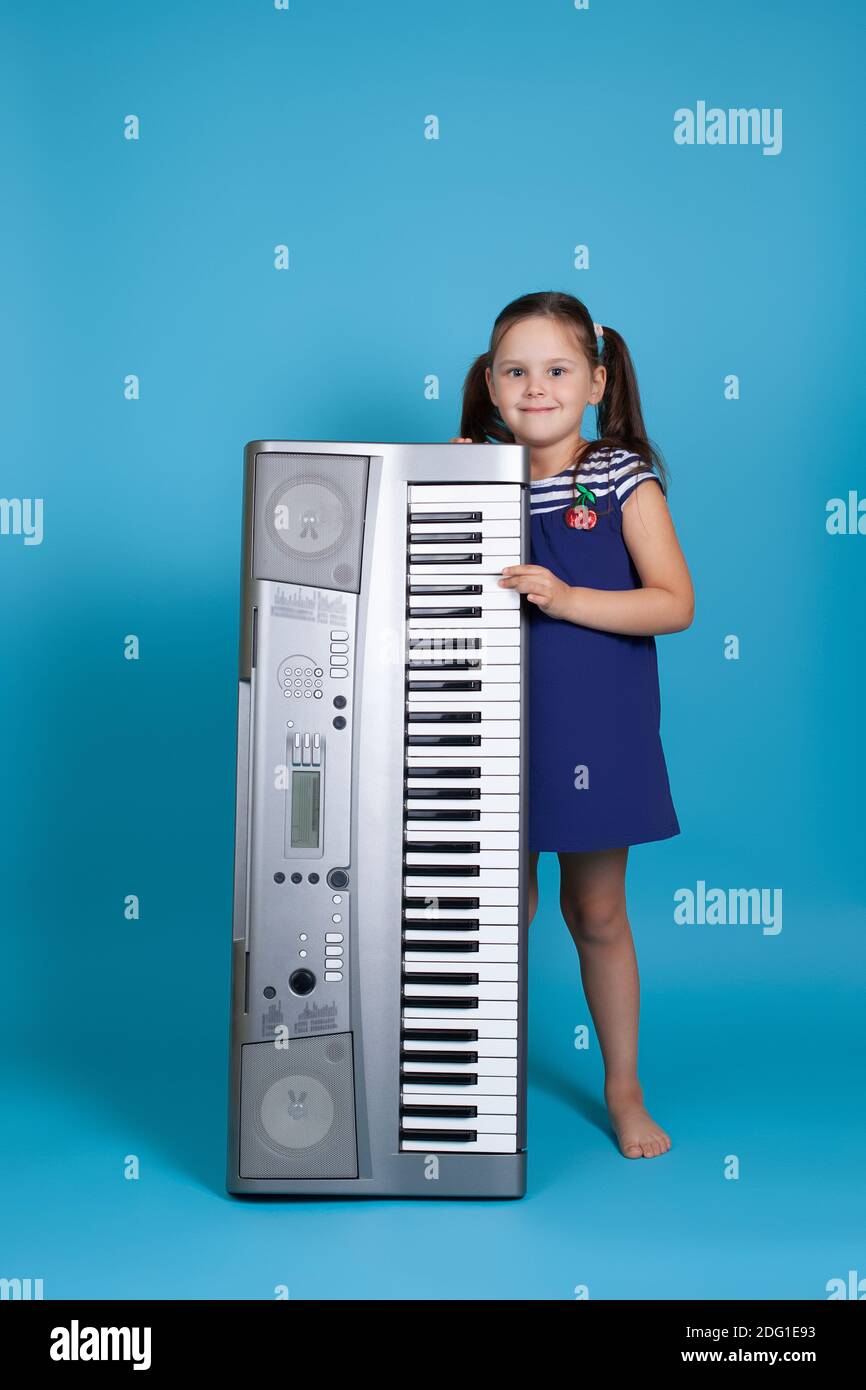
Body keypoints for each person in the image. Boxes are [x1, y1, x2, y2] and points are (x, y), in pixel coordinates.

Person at [450, 290, 694, 1158]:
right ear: (489, 381)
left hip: (597, 728)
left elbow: (675, 604)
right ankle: (475, 1080)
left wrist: (569, 598)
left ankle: (624, 1091)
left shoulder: (622, 475)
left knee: (594, 912)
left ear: (594, 379)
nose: (534, 386)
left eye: (556, 370)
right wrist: (434, 489)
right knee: (489, 913)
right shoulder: (470, 474)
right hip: (486, 725)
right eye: (514, 371)